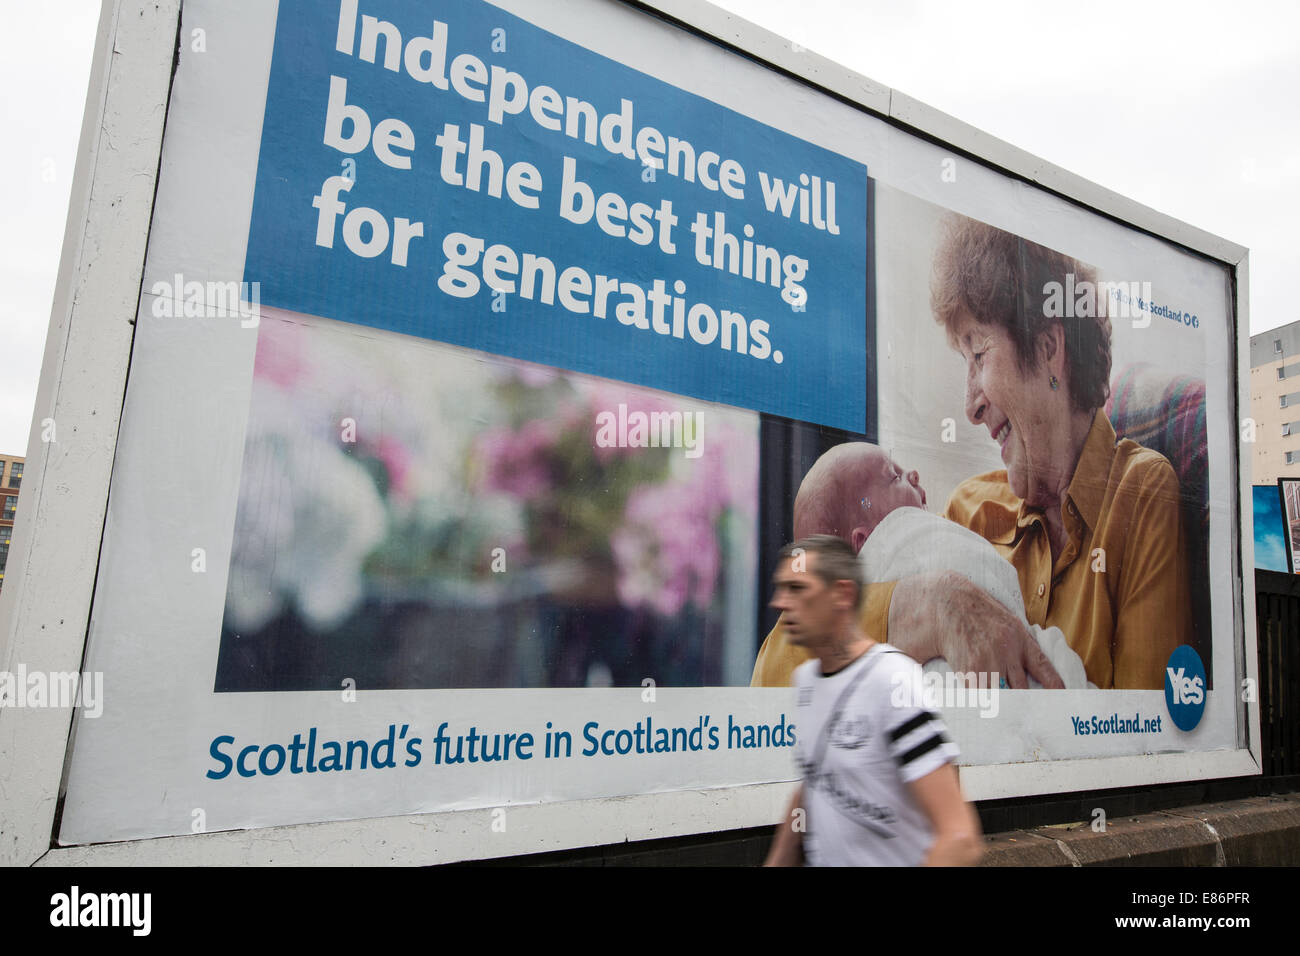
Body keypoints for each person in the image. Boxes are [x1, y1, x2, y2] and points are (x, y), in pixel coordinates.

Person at [755, 216, 1191, 690]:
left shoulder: (1141, 493)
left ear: (1048, 348)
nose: (971, 407)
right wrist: (926, 605)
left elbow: (1151, 743)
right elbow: (773, 674)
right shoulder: (971, 511)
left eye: (978, 356)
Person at [755, 442, 1090, 688]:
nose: (912, 473)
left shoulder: (950, 527)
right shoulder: (922, 534)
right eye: (894, 476)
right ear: (864, 542)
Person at [763, 536, 983, 866]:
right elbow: (816, 777)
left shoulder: (892, 680)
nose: (779, 601)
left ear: (842, 595)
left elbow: (960, 839)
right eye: (780, 588)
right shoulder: (806, 681)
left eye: (797, 588)